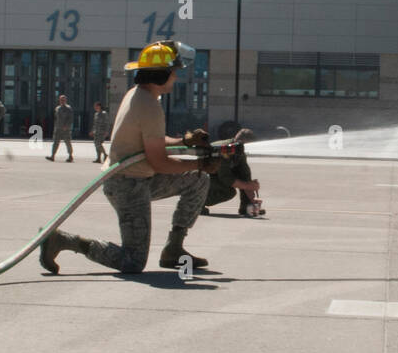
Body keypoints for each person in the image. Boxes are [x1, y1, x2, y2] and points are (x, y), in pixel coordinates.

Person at [39, 41, 216, 275]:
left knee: (197, 179)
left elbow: (151, 139)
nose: (175, 77)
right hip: (127, 185)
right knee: (133, 262)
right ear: (160, 74)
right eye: (173, 72)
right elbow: (159, 162)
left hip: (139, 178)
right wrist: (201, 163)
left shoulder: (140, 95)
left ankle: (174, 248)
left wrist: (184, 142)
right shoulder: (149, 106)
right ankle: (63, 241)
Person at [201, 129, 262, 216]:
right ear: (241, 142)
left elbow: (245, 174)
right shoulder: (224, 150)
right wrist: (248, 185)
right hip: (201, 176)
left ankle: (246, 207)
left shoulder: (238, 150)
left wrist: (252, 198)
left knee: (243, 180)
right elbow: (225, 178)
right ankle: (194, 203)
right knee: (228, 192)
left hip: (214, 175)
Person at [48, 94, 73, 162]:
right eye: (61, 100)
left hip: (65, 129)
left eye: (63, 100)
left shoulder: (68, 108)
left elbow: (70, 119)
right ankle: (52, 156)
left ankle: (70, 156)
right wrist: (55, 128)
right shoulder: (57, 108)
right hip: (58, 128)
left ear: (66, 100)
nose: (62, 101)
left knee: (67, 142)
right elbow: (56, 119)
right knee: (55, 142)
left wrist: (66, 126)